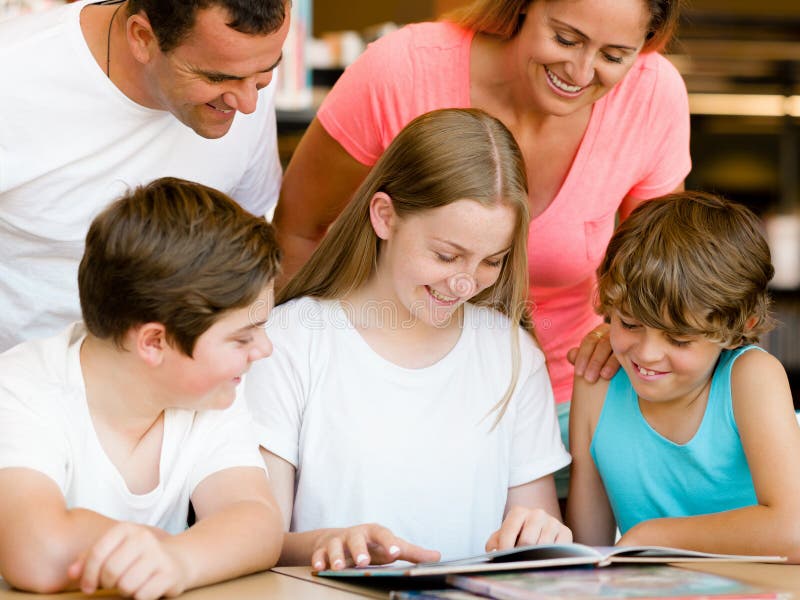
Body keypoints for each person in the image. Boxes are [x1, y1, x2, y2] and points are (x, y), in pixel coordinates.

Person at [272, 0, 691, 479]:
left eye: (614, 56)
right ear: (522, 8)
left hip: (565, 394)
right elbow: (299, 231)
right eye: (566, 39)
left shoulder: (652, 96)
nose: (579, 71)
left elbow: (662, 273)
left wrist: (616, 335)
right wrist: (311, 380)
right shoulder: (402, 70)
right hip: (383, 387)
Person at [246, 108, 572, 569]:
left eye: (491, 261)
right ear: (384, 216)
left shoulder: (513, 354)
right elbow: (259, 538)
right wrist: (330, 543)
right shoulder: (291, 340)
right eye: (446, 255)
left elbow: (532, 532)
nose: (464, 283)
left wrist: (542, 534)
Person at [0, 178, 285, 597]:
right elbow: (38, 552)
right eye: (241, 338)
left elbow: (258, 523)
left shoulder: (214, 395)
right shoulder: (22, 388)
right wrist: (185, 548)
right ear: (154, 342)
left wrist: (180, 561)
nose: (265, 349)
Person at [0, 0, 290, 351]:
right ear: (141, 37)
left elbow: (248, 235)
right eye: (218, 77)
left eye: (264, 73)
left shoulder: (243, 68)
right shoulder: (12, 78)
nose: (248, 104)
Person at [566, 191, 800, 561]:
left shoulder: (752, 376)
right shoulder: (599, 379)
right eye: (629, 323)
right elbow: (587, 551)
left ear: (740, 326)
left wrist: (653, 536)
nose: (646, 353)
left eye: (679, 338)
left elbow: (794, 532)